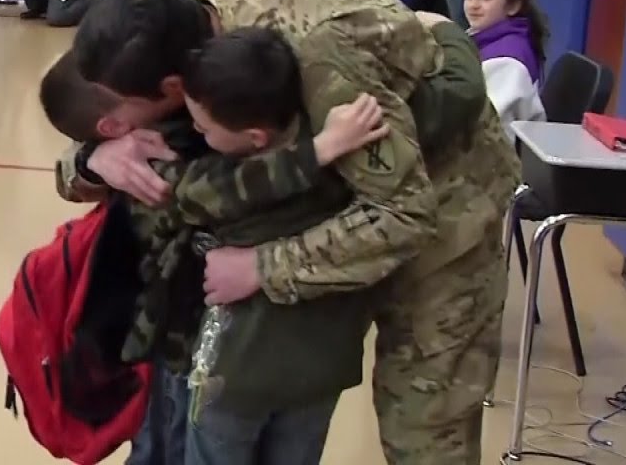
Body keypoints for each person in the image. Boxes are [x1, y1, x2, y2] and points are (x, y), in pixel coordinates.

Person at [54, 0, 520, 465]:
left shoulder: (320, 62)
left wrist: (263, 267)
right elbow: (90, 112)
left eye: (123, 121)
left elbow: (403, 214)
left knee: (423, 424)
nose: (119, 129)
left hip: (446, 204)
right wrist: (91, 159)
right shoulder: (162, 33)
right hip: (332, 198)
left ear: (175, 91)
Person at [41, 30, 388, 465]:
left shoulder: (195, 166)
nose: (195, 130)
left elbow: (219, 187)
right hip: (309, 365)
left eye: (201, 126)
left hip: (218, 362)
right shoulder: (344, 176)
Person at [464, 0, 547, 139]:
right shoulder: (484, 37)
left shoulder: (507, 61)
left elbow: (485, 129)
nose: (473, 5)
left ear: (513, 6)